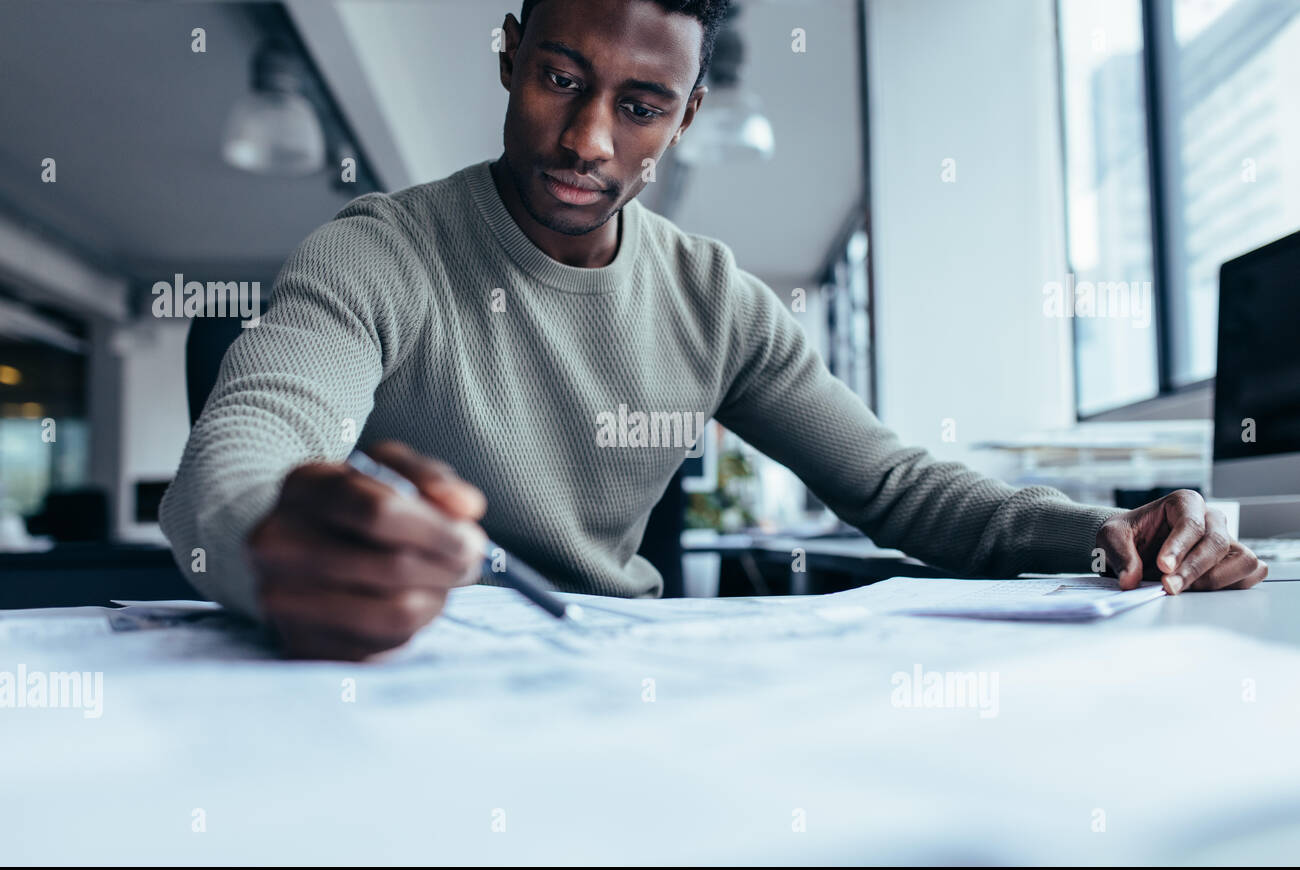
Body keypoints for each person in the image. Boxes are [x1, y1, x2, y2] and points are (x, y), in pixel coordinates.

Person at [160, 0, 1266, 660]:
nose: (589, 139)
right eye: (559, 78)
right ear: (508, 55)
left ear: (685, 116)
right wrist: (274, 543)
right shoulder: (379, 251)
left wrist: (1106, 531)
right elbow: (238, 454)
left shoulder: (715, 299)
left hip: (623, 679)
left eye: (639, 106)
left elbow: (897, 487)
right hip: (411, 669)